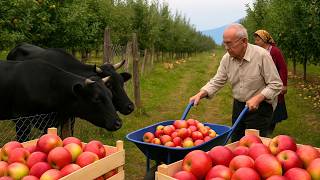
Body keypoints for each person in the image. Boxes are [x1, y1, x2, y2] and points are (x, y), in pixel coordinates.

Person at [189, 23, 283, 142]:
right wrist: (201, 93)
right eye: (225, 43)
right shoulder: (227, 58)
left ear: (244, 41)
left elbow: (276, 84)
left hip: (260, 107)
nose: (226, 47)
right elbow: (218, 80)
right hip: (239, 106)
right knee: (236, 142)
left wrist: (258, 98)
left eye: (229, 43)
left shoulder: (261, 55)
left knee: (255, 145)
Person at [254, 30, 288, 135]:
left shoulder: (274, 51)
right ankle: (262, 125)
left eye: (258, 39)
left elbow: (282, 68)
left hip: (273, 82)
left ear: (264, 40)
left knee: (274, 104)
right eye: (255, 39)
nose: (255, 42)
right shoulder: (257, 51)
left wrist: (283, 84)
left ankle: (269, 128)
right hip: (261, 84)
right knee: (262, 102)